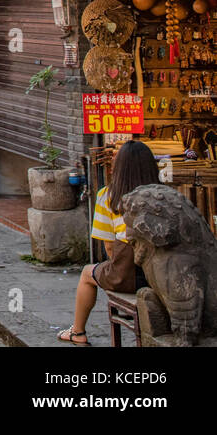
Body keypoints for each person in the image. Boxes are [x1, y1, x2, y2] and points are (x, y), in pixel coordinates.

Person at [57, 140, 160, 345]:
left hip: (128, 276)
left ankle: (77, 332)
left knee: (87, 273)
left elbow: (110, 248)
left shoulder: (108, 196)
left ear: (119, 167)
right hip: (160, 275)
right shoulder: (163, 194)